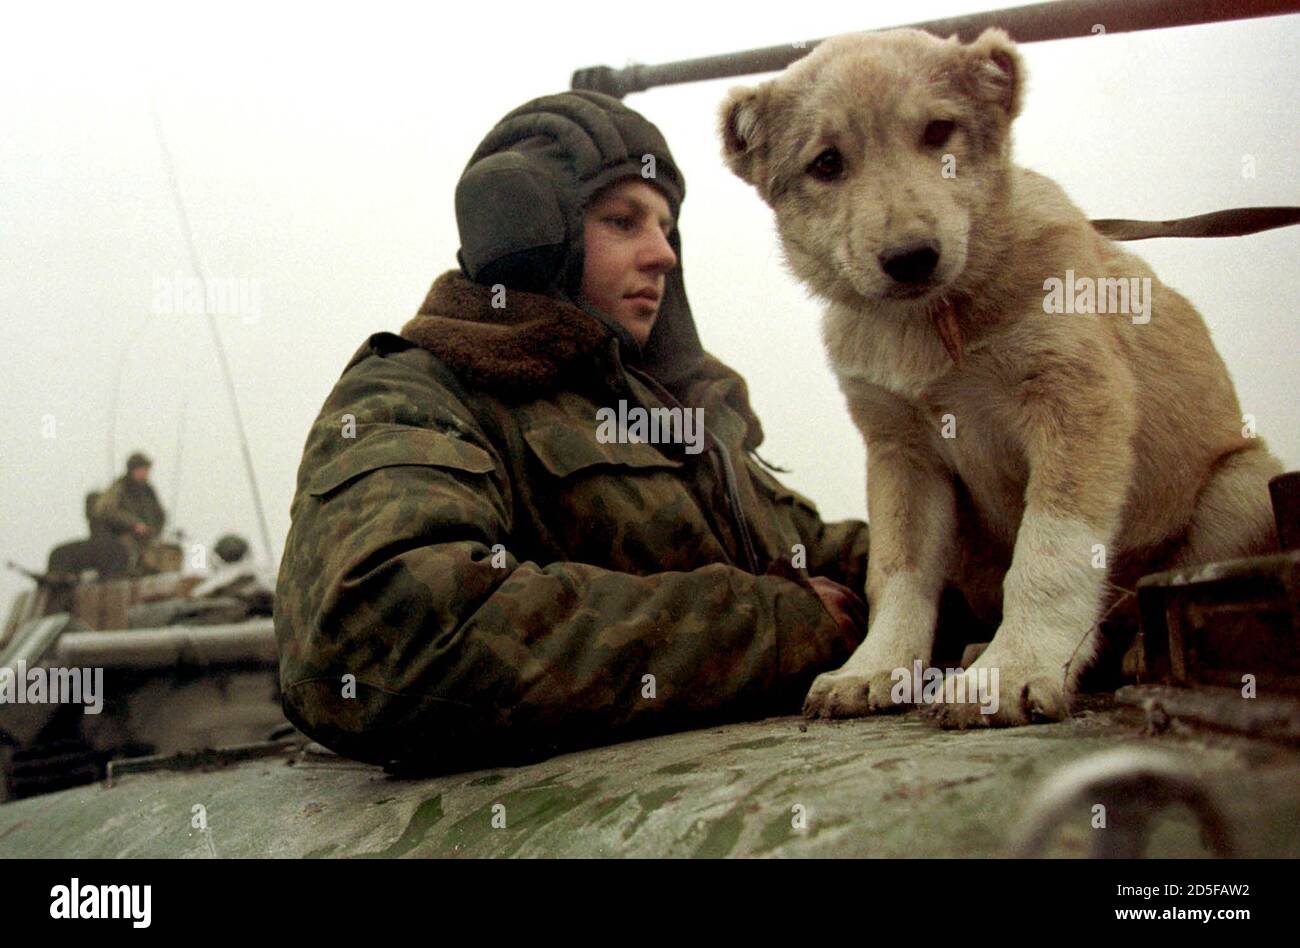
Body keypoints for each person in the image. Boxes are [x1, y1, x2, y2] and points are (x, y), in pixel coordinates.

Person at [275, 91, 874, 772]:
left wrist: (968, 553)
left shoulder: (679, 419)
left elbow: (809, 554)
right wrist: (774, 627)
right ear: (530, 233)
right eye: (623, 221)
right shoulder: (420, 393)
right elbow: (381, 634)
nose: (663, 255)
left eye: (666, 228)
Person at [93, 452, 166, 574]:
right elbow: (104, 510)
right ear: (134, 469)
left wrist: (155, 530)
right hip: (122, 536)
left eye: (147, 469)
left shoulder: (148, 490)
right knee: (128, 553)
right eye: (143, 469)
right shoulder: (120, 487)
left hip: (148, 538)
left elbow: (160, 514)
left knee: (165, 554)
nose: (146, 472)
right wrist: (133, 523)